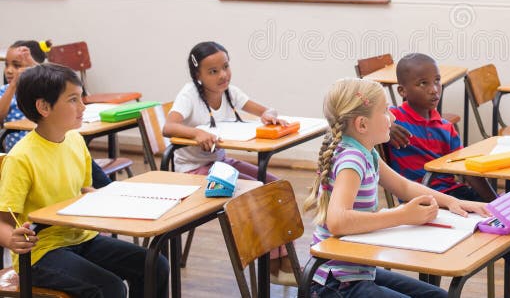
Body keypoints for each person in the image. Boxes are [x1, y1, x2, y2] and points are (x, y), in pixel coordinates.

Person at [386, 53, 510, 298]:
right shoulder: (394, 119)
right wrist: (387, 122)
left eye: (437, 81)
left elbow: (465, 169)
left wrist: (496, 203)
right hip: (427, 202)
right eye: (423, 84)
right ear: (402, 91)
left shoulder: (445, 127)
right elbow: (352, 113)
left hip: (457, 196)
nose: (434, 90)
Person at [303, 78, 488, 297]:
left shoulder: (366, 152)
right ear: (362, 124)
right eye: (386, 111)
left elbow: (403, 186)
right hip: (335, 282)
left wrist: (452, 201)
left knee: (438, 296)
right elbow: (338, 221)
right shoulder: (351, 160)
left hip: (357, 272)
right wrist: (401, 216)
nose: (393, 117)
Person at [0, 64, 169, 297]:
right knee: (111, 288)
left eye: (81, 98)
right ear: (44, 107)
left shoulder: (75, 140)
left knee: (155, 266)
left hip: (81, 237)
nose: (82, 107)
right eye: (73, 100)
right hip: (41, 252)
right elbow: (3, 221)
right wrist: (12, 240)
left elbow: (84, 189)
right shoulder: (21, 157)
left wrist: (105, 199)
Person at [162, 40, 295, 285]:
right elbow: (168, 126)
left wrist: (268, 115)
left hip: (220, 164)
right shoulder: (189, 95)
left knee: (275, 185)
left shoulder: (230, 92)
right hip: (194, 172)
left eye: (225, 67)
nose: (223, 75)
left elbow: (266, 110)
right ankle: (274, 264)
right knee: (258, 193)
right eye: (213, 71)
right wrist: (196, 133)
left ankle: (280, 260)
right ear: (198, 75)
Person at [0, 40, 112, 189]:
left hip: (52, 140)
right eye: (7, 65)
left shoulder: (39, 89)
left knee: (76, 152)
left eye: (17, 65)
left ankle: (109, 190)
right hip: (28, 145)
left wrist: (32, 64)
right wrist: (14, 84)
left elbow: (53, 81)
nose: (9, 70)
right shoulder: (5, 90)